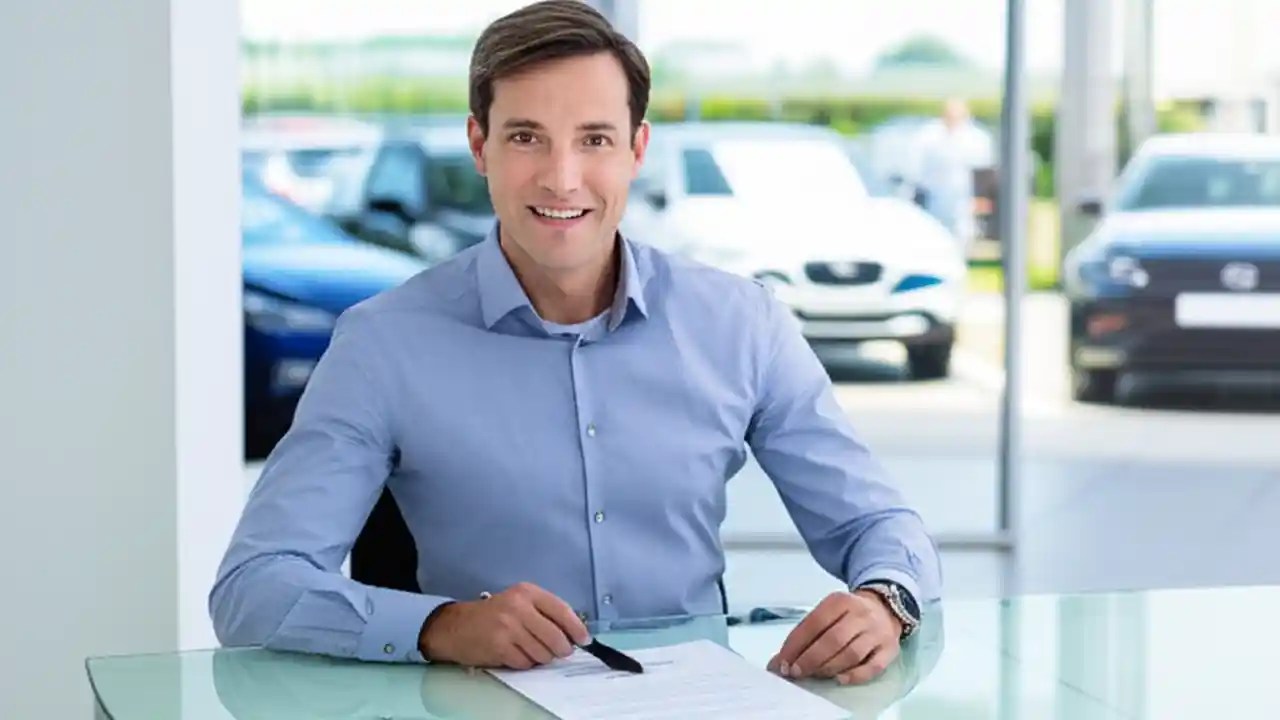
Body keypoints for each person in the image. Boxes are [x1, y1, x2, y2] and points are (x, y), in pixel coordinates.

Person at [210, 0, 942, 688]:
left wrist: (885, 601)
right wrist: (441, 625)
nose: (562, 179)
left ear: (636, 149)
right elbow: (255, 586)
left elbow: (878, 523)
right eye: (527, 137)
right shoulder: (382, 343)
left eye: (594, 140)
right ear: (479, 145)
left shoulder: (740, 322)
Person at [910, 98, 994, 249]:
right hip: (934, 198)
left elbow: (983, 171)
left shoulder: (977, 138)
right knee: (935, 235)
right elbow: (918, 169)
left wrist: (981, 197)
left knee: (963, 235)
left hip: (964, 198)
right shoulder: (929, 135)